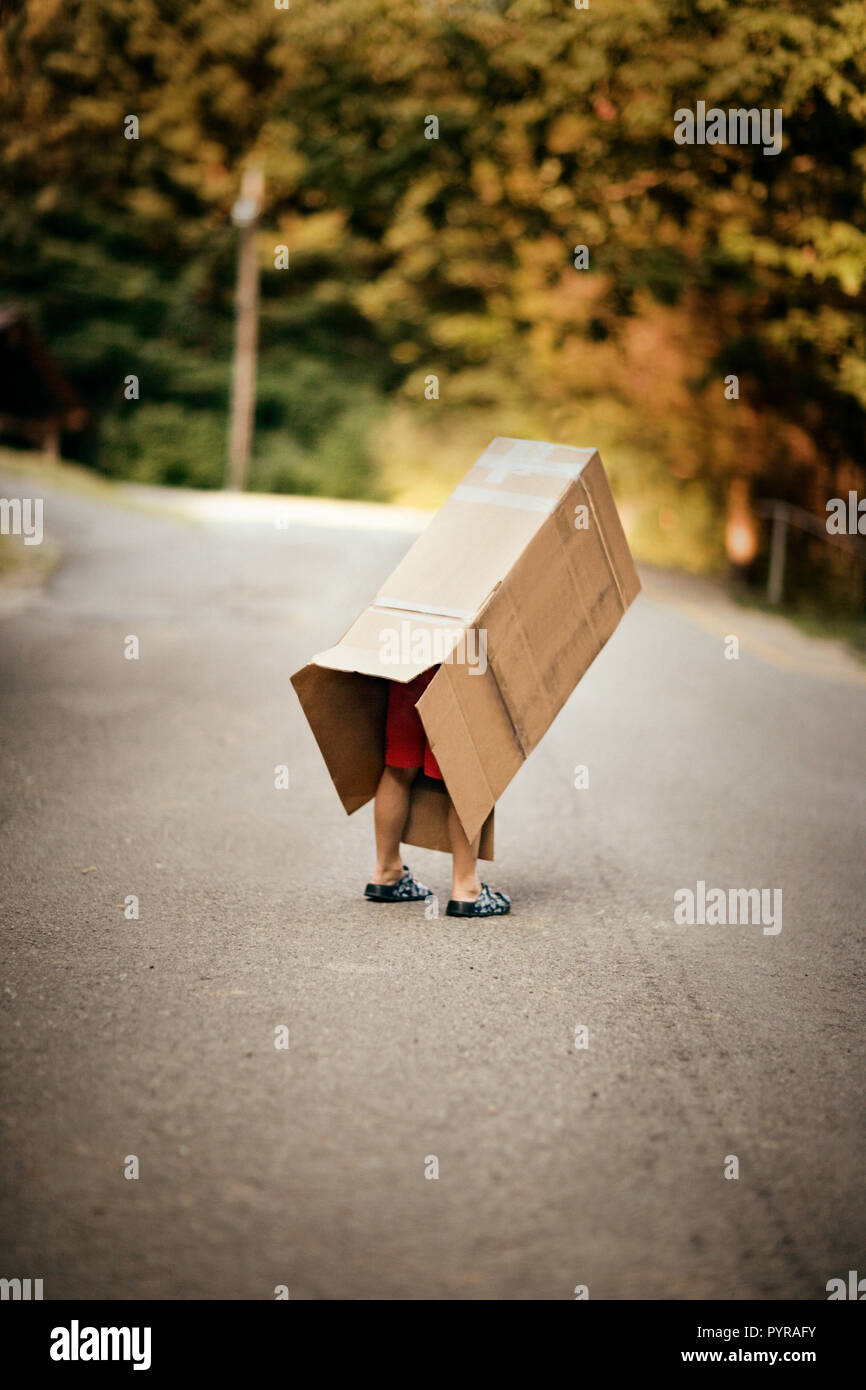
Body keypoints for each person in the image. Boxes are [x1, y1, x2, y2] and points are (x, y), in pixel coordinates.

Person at [364, 667, 511, 917]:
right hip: (460, 664)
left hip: (411, 656)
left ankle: (387, 872)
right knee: (464, 775)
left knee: (399, 768)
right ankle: (467, 889)